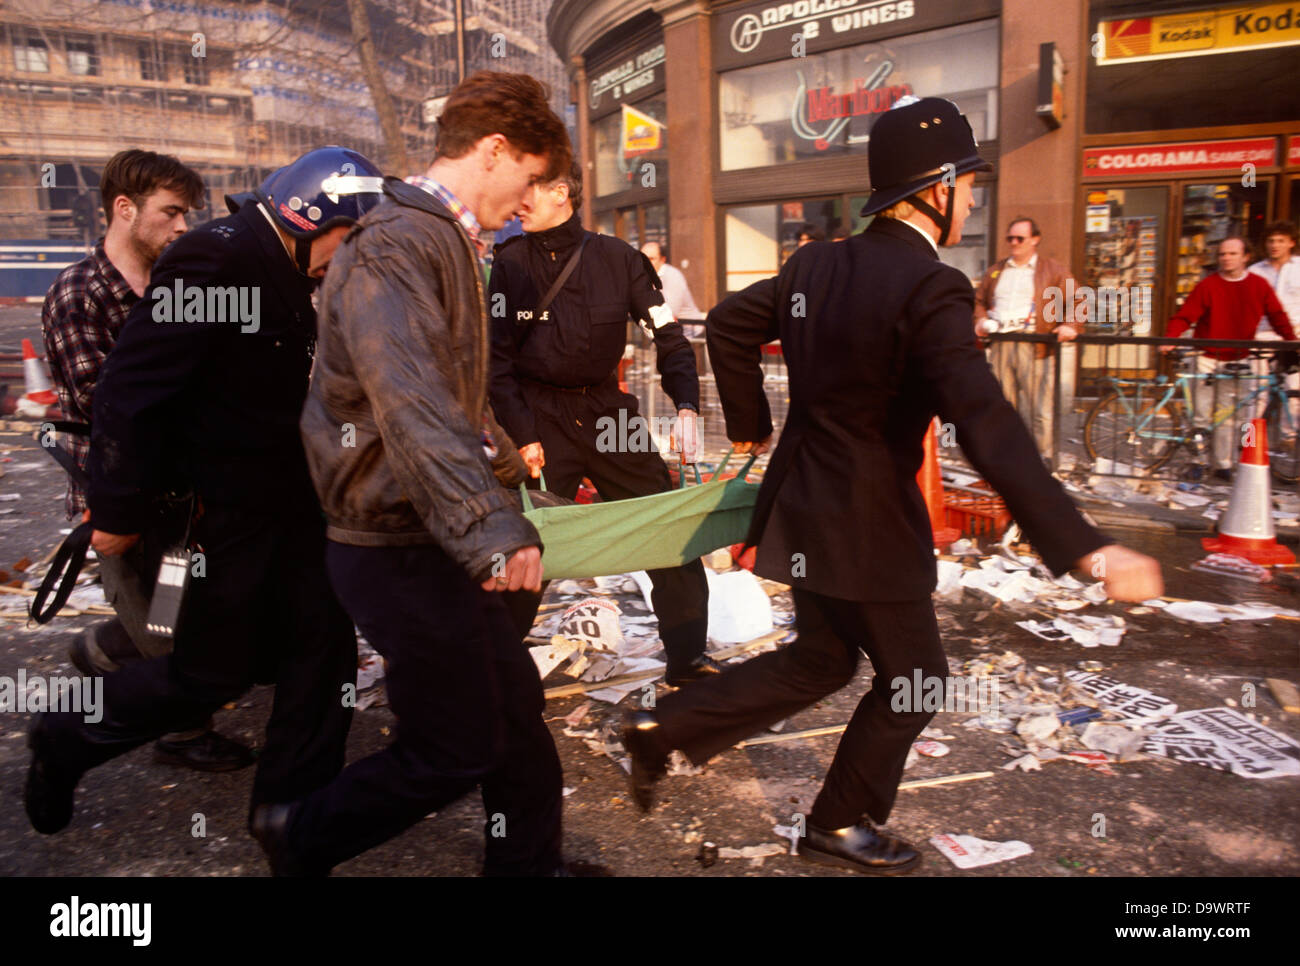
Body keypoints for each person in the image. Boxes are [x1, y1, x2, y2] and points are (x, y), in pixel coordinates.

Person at [621, 96, 1164, 876]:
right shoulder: (930, 287)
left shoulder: (816, 264)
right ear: (936, 187)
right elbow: (985, 419)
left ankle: (661, 728)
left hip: (805, 512)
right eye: (969, 183)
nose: (974, 198)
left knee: (821, 661)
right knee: (915, 681)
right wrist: (1083, 545)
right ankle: (837, 822)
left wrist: (750, 421)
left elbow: (731, 324)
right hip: (868, 523)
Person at [253, 71, 574, 877]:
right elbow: (412, 399)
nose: (532, 203)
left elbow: (453, 395)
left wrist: (503, 466)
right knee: (456, 744)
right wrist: (491, 525)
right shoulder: (399, 242)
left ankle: (527, 865)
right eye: (531, 179)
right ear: (496, 150)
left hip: (430, 527)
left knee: (516, 716)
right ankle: (302, 833)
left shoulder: (445, 239)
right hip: (395, 540)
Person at [24, 146, 383, 838]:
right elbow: (129, 392)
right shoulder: (216, 260)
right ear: (310, 217)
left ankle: (290, 818)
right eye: (347, 238)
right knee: (212, 673)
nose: (346, 257)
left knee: (322, 654)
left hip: (290, 508)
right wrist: (119, 508)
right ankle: (69, 732)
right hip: (228, 517)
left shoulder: (278, 263)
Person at [40, 149, 254, 773]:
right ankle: (180, 734)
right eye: (171, 213)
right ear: (124, 210)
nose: (183, 226)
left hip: (183, 498)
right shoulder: (80, 293)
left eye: (187, 213)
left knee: (177, 607)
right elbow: (107, 404)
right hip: (123, 505)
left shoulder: (173, 287)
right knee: (165, 635)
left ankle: (104, 648)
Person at [489, 161, 718, 687]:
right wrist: (522, 433)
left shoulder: (619, 259)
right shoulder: (509, 265)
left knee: (668, 533)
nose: (519, 200)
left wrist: (685, 406)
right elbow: (496, 364)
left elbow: (669, 336)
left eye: (532, 189)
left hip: (608, 416)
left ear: (562, 192)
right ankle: (497, 675)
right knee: (524, 545)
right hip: (537, 420)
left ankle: (689, 662)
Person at [1162, 236, 1294, 479]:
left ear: (1246, 257)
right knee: (1200, 415)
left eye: (1232, 254)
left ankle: (1222, 465)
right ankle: (1197, 461)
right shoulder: (1208, 285)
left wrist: (1292, 342)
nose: (1226, 258)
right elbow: (1185, 315)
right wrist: (1171, 337)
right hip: (1206, 356)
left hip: (1238, 358)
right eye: (1222, 254)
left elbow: (1277, 315)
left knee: (1229, 415)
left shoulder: (1258, 285)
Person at [973, 217, 1082, 462]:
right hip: (1001, 343)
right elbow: (978, 301)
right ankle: (1005, 460)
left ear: (1035, 240)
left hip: (1035, 345)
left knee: (1040, 410)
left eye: (1020, 238)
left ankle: (1042, 462)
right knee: (1001, 405)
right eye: (1010, 238)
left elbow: (1077, 298)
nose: (1014, 243)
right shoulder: (996, 270)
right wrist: (980, 321)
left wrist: (1070, 325)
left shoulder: (1052, 270)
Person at [1248, 222, 1300, 429]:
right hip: (1262, 334)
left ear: (1291, 243)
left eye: (1280, 241)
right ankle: (1249, 440)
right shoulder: (1254, 271)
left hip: (1293, 335)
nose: (1274, 245)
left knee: (1293, 388)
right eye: (1270, 241)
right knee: (1256, 390)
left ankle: (1290, 438)